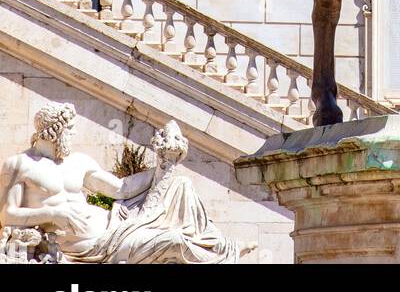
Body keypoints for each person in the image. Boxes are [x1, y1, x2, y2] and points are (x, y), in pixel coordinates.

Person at [0, 104, 240, 264]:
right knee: (174, 241)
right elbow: (7, 215)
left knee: (181, 184)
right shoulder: (20, 165)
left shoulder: (78, 161)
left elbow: (121, 189)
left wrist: (163, 165)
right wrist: (52, 212)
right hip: (92, 245)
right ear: (55, 132)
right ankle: (222, 255)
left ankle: (219, 247)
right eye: (70, 130)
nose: (73, 135)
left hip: (115, 225)